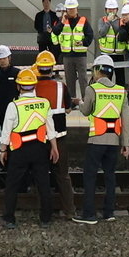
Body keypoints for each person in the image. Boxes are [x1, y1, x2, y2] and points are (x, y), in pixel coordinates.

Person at [0, 68, 61, 229]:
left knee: (12, 184)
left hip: (19, 150)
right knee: (43, 183)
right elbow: (50, 129)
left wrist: (3, 150)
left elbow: (6, 131)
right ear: (34, 86)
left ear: (19, 86)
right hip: (40, 148)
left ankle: (9, 218)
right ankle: (46, 218)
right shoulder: (44, 103)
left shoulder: (14, 106)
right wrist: (54, 148)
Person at [75, 55, 129, 224]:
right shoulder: (121, 91)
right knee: (110, 176)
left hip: (96, 140)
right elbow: (126, 121)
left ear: (97, 70)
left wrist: (79, 102)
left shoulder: (92, 89)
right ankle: (109, 212)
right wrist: (126, 144)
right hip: (114, 141)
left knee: (90, 176)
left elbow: (85, 111)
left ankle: (89, 214)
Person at [33, 50, 76, 218]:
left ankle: (44, 212)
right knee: (63, 176)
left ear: (38, 67)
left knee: (40, 176)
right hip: (59, 138)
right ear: (52, 68)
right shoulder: (61, 86)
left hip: (38, 139)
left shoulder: (32, 87)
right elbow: (68, 109)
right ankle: (70, 211)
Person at [53, 0, 94, 101]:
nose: (71, 11)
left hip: (80, 55)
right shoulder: (62, 21)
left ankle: (86, 100)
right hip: (67, 55)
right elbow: (55, 32)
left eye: (73, 8)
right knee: (70, 79)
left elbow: (90, 35)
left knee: (83, 79)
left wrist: (83, 42)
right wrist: (62, 22)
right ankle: (72, 101)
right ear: (66, 10)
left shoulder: (83, 20)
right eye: (69, 9)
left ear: (77, 9)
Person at [96, 0, 120, 77]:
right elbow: (102, 33)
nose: (111, 11)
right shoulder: (102, 20)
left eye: (113, 10)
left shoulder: (120, 21)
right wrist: (108, 22)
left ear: (117, 10)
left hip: (119, 53)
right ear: (106, 10)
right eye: (109, 10)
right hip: (105, 53)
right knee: (106, 76)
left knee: (120, 77)